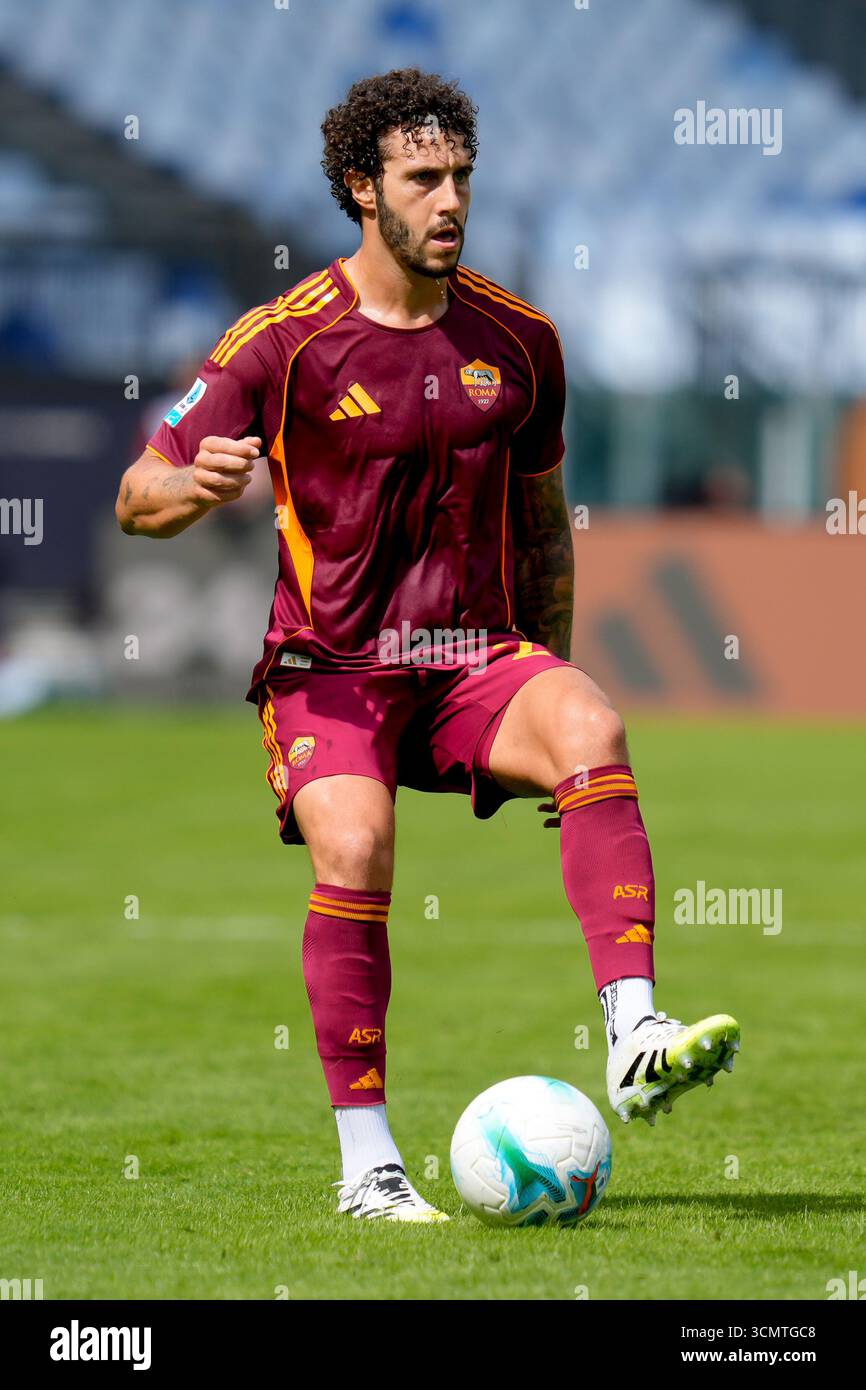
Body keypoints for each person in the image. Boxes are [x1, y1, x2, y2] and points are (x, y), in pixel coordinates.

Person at [116, 68, 739, 1224]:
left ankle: (633, 1031)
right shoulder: (284, 342)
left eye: (460, 177)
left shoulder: (522, 341)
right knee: (352, 845)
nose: (450, 200)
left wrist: (548, 697)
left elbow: (545, 528)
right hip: (332, 671)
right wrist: (189, 486)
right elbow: (134, 493)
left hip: (469, 658)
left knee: (592, 720)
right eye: (422, 179)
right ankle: (369, 1165)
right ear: (362, 188)